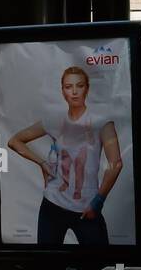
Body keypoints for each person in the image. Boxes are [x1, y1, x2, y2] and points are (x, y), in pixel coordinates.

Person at [9, 65, 125, 247]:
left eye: (79, 86)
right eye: (68, 87)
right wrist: (42, 163)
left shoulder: (102, 121)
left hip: (86, 207)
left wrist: (98, 201)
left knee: (100, 268)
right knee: (49, 268)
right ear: (62, 90)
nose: (74, 92)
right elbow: (15, 141)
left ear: (87, 88)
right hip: (53, 204)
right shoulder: (54, 120)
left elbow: (116, 164)